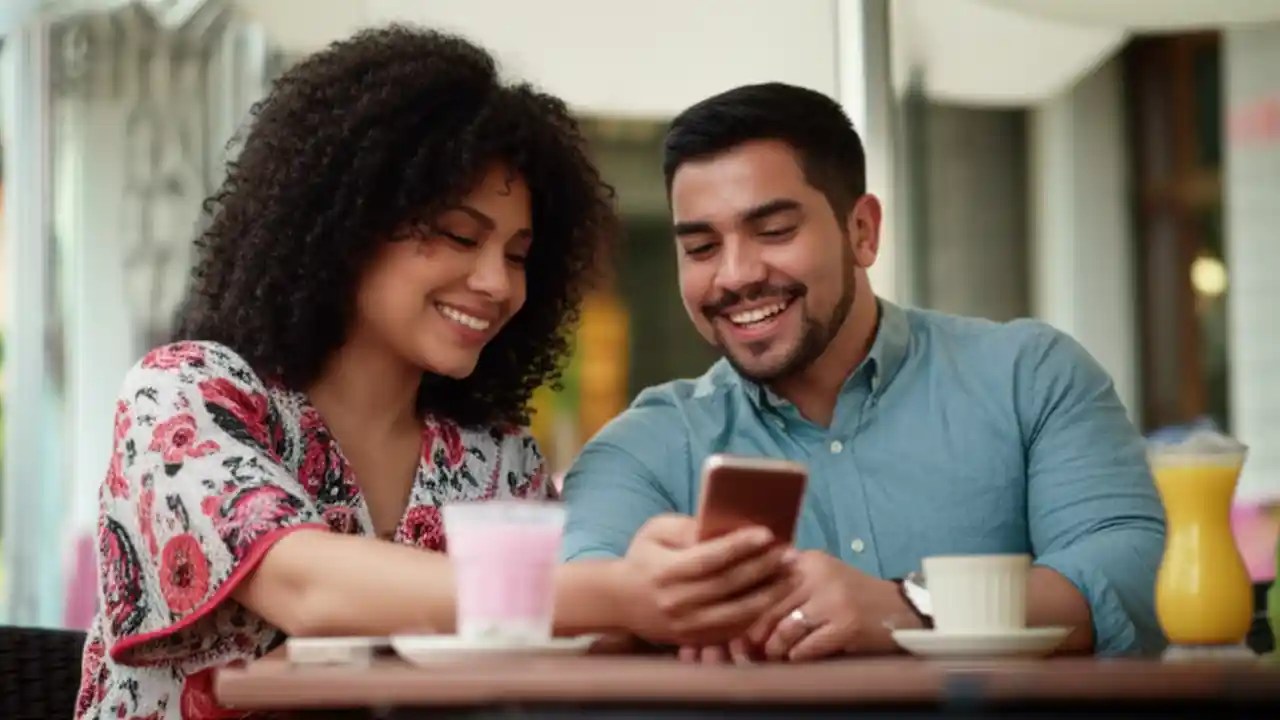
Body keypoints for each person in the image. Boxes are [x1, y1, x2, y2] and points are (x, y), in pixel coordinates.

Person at [77, 29, 794, 720]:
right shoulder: (187, 396)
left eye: (517, 255)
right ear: (346, 221)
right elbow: (306, 588)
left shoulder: (494, 456)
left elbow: (556, 639)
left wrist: (672, 590)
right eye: (458, 235)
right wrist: (611, 593)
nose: (496, 283)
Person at [561, 82, 1167, 662]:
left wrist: (906, 607)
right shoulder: (641, 449)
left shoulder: (1028, 377)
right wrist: (646, 598)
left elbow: (1136, 572)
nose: (736, 274)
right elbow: (573, 601)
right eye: (701, 248)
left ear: (863, 231)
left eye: (774, 232)